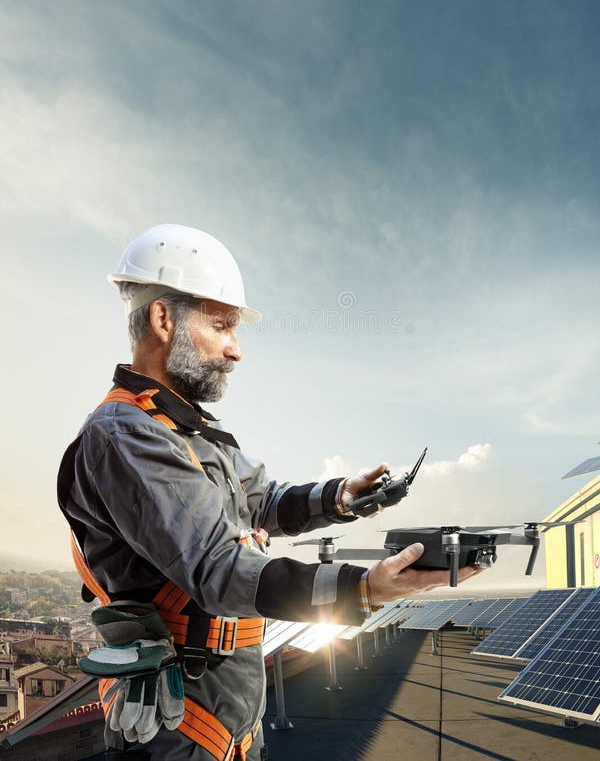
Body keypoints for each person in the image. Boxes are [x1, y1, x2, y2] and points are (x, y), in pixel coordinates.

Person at [57, 223, 478, 761]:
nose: (236, 351)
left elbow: (259, 502)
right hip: (179, 732)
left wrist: (340, 496)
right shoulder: (126, 437)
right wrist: (363, 590)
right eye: (222, 326)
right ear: (164, 318)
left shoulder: (189, 433)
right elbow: (218, 568)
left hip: (228, 721)